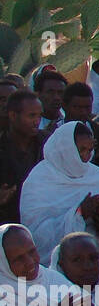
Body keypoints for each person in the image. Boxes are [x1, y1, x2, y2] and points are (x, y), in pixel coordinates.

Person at [20, 120, 99, 272]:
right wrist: (79, 215)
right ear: (65, 149)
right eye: (81, 150)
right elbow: (37, 234)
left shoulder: (98, 177)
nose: (85, 156)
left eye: (90, 150)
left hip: (98, 266)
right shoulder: (39, 181)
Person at [0, 90, 48, 224]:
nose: (37, 122)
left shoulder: (48, 143)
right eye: (32, 116)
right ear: (13, 115)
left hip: (42, 219)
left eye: (39, 116)